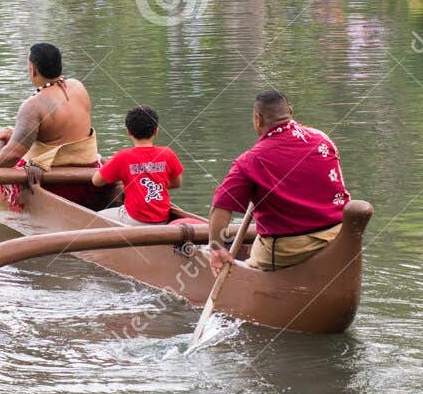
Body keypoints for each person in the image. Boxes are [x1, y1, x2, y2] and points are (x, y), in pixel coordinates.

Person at [206, 90, 350, 273]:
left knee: (252, 256)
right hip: (339, 237)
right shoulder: (322, 139)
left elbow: (220, 207)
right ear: (290, 111)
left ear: (258, 119)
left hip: (290, 250)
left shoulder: (250, 160)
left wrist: (216, 249)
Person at [0, 43, 101, 206]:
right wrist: (15, 133)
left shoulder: (33, 105)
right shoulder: (78, 86)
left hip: (56, 185)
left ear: (33, 69)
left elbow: (13, 155)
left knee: (3, 173)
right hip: (91, 180)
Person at [90, 106, 185, 226]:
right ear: (156, 131)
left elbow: (96, 181)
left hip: (134, 220)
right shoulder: (167, 153)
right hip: (163, 219)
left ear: (129, 132)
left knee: (93, 216)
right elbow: (177, 183)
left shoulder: (122, 157)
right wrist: (156, 183)